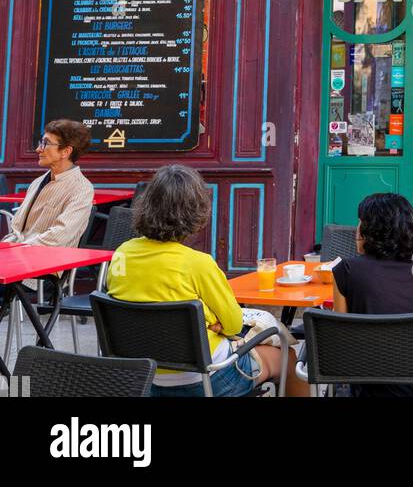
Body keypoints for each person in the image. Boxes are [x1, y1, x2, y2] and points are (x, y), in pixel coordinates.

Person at [107, 165, 305, 397]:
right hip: (208, 381)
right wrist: (211, 319)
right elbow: (232, 324)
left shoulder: (122, 252)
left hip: (144, 379)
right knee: (288, 357)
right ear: (196, 213)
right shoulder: (198, 263)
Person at [330, 192, 413, 397]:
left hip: (368, 387)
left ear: (369, 231)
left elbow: (342, 337)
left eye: (360, 223)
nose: (356, 230)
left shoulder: (346, 270)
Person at [2, 119, 93, 247]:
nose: (38, 149)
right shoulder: (38, 182)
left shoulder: (82, 189)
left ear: (65, 151)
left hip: (48, 262)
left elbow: (59, 236)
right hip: (18, 255)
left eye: (46, 143)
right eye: (41, 142)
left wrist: (18, 249)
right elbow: (16, 230)